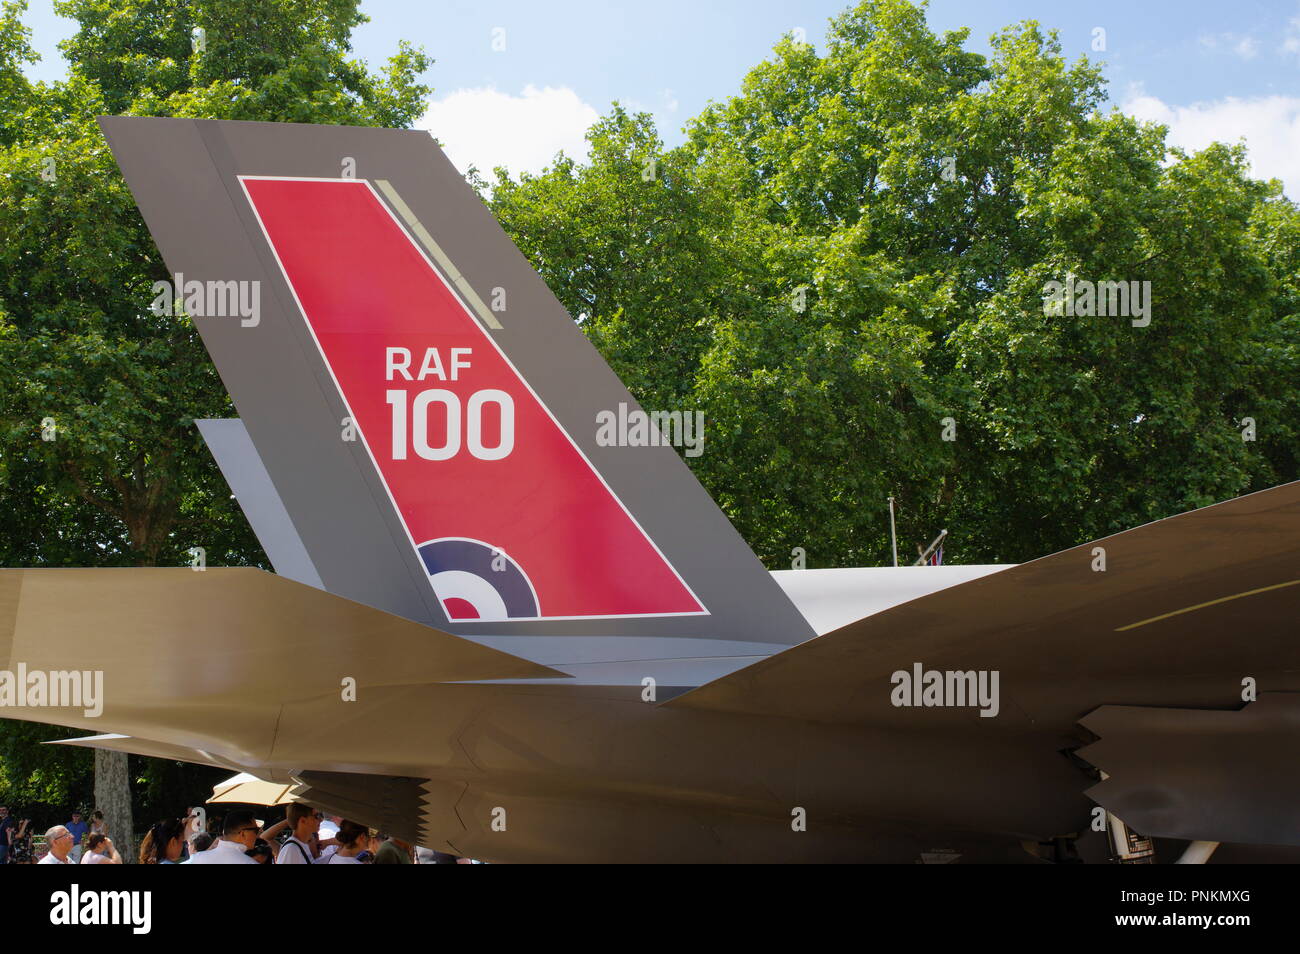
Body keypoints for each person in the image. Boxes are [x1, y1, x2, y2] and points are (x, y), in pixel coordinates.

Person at [184, 811, 259, 865]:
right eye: (256, 830)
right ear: (243, 834)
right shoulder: (249, 862)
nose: (257, 834)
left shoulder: (196, 859)